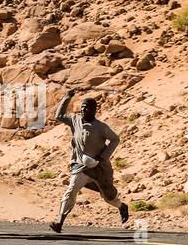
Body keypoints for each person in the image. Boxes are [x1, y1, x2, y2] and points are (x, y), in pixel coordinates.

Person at [49, 90, 129, 233]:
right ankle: (59, 221)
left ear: (94, 110)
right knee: (71, 191)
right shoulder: (75, 120)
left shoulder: (101, 127)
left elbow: (115, 139)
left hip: (99, 168)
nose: (84, 109)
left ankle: (121, 207)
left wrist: (102, 157)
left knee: (109, 198)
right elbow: (59, 116)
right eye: (83, 106)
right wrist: (67, 97)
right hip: (80, 167)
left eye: (87, 107)